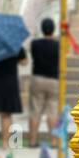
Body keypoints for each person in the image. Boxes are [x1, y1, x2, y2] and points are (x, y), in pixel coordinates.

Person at [28, 19, 60, 148]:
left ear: (42, 29)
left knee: (35, 111)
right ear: (53, 29)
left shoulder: (34, 44)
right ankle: (53, 141)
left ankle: (32, 141)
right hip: (53, 79)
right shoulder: (58, 45)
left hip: (38, 78)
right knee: (52, 111)